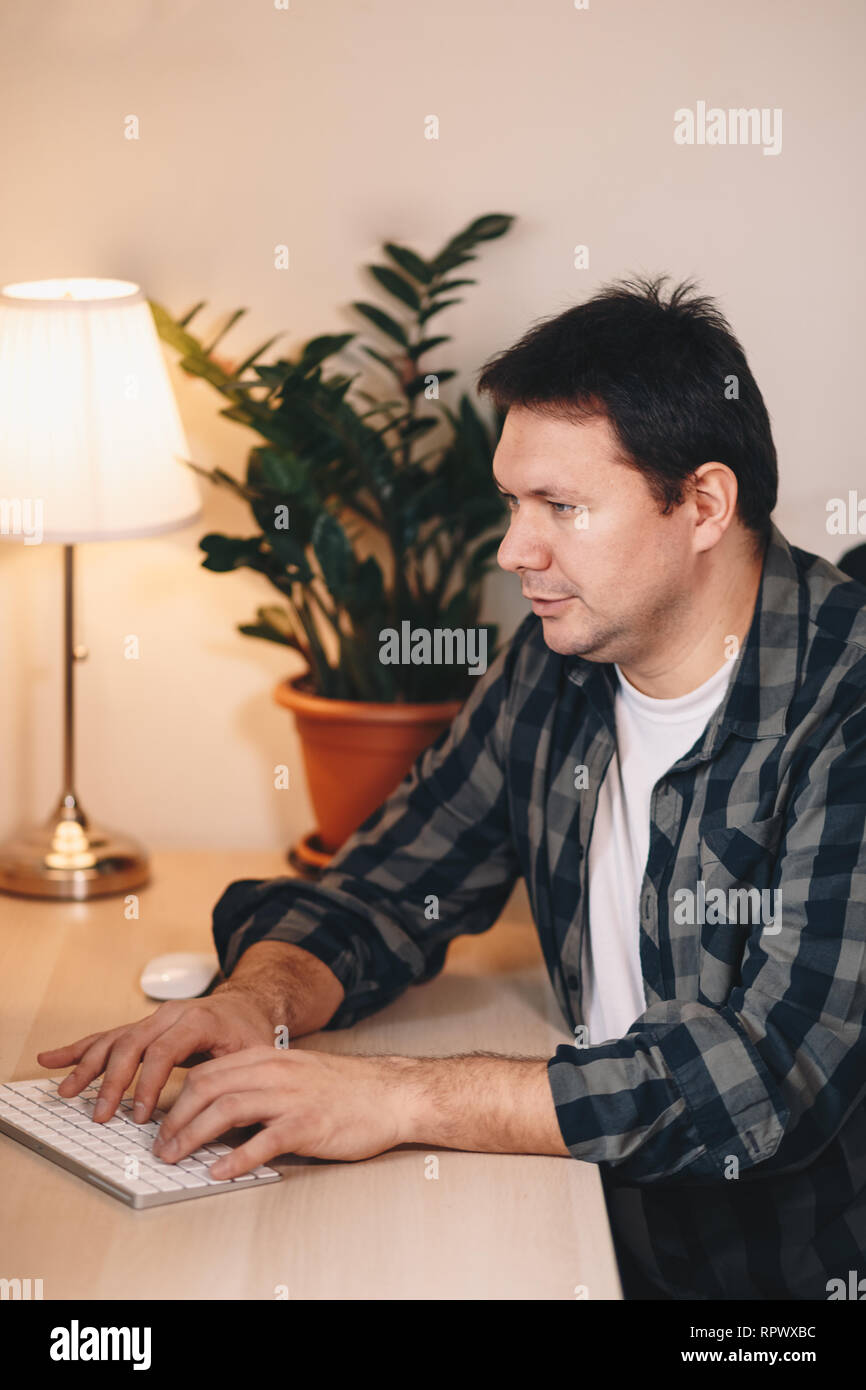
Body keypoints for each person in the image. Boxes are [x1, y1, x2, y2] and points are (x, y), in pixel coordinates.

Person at [38, 277, 866, 1301]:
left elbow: (764, 1078)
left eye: (561, 507)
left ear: (701, 503)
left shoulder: (844, 701)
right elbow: (390, 883)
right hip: (582, 1209)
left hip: (766, 1281)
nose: (517, 551)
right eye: (514, 503)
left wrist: (400, 1098)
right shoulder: (559, 659)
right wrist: (261, 1001)